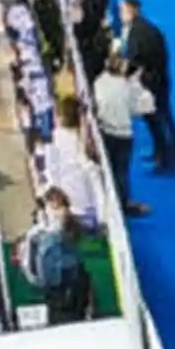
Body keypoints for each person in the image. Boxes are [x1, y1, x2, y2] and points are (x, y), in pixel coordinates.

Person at [121, 0, 175, 170]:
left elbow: (135, 61)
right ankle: (174, 151)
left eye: (123, 10)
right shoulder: (149, 28)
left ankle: (164, 157)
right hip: (161, 78)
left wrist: (124, 75)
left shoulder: (137, 33)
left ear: (131, 10)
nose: (121, 14)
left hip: (149, 83)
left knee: (156, 121)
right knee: (165, 116)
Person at [94, 55, 154, 217]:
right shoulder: (127, 87)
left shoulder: (99, 82)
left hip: (104, 132)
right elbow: (145, 107)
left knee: (109, 169)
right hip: (123, 134)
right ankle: (123, 204)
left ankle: (111, 203)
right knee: (121, 172)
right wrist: (137, 83)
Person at [20, 188, 90, 325]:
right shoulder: (38, 235)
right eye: (52, 207)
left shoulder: (67, 228)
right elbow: (29, 260)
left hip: (67, 278)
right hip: (54, 282)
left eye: (61, 207)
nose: (59, 212)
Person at [46, 96, 100, 228]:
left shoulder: (65, 137)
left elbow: (52, 168)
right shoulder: (63, 136)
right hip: (76, 190)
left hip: (75, 189)